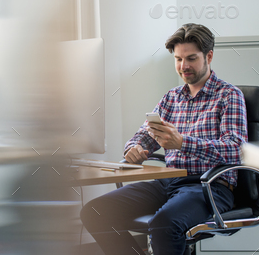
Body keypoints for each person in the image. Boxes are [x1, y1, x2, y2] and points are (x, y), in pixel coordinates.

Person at [80, 23, 247, 255]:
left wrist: (183, 143)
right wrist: (135, 147)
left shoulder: (229, 95)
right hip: (169, 182)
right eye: (178, 59)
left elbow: (236, 149)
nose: (183, 66)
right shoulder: (172, 97)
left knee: (163, 224)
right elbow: (144, 134)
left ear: (209, 56)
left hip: (209, 186)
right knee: (95, 212)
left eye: (191, 58)